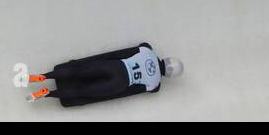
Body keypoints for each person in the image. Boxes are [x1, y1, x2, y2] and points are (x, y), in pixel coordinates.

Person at [27, 42, 182, 106]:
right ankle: (47, 94)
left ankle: (42, 77)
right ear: (169, 76)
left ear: (168, 60)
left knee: (78, 72)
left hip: (115, 67)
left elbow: (126, 51)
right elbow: (133, 91)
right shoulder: (155, 85)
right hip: (119, 84)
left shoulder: (147, 49)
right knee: (83, 92)